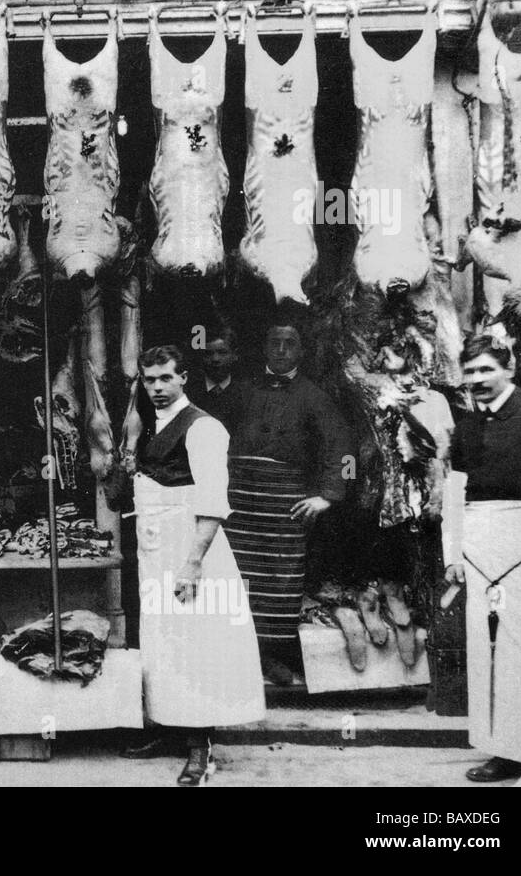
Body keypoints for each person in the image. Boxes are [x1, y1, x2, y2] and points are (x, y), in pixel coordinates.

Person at [121, 344, 265, 785]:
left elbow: (212, 502)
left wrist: (193, 563)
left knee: (195, 644)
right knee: (164, 641)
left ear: (184, 377)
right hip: (155, 549)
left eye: (166, 378)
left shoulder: (204, 428)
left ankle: (200, 748)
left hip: (190, 549)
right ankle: (168, 726)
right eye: (150, 380)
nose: (158, 387)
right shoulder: (147, 427)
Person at [443, 335, 521, 786]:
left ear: (508, 367)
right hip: (478, 546)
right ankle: (505, 752)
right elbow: (453, 492)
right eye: (469, 372)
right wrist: (453, 554)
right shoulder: (464, 425)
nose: (477, 380)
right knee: (487, 654)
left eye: (486, 370)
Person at [223, 319, 352, 685]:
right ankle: (241, 654)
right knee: (239, 577)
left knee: (281, 579)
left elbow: (343, 448)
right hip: (241, 502)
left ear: (301, 351)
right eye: (275, 343)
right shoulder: (241, 391)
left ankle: (275, 657)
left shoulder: (314, 396)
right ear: (264, 348)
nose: (281, 350)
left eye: (289, 344)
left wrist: (328, 497)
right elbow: (210, 433)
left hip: (285, 502)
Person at [185, 326, 251, 435]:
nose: (215, 359)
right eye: (209, 353)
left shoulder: (247, 394)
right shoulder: (187, 392)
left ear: (235, 355)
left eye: (222, 352)